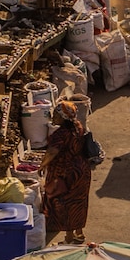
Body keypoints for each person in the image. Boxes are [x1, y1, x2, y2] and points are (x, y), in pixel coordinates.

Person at [40, 101, 96, 246]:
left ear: (62, 117)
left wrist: (42, 165)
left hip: (66, 173)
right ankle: (79, 233)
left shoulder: (61, 134)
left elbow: (53, 151)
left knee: (66, 204)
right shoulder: (78, 126)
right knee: (79, 202)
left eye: (56, 114)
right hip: (81, 170)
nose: (53, 117)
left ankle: (69, 239)